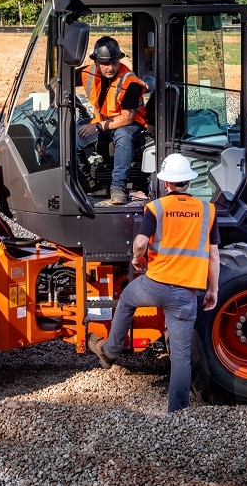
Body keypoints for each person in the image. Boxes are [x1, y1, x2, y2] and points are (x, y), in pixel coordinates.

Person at [88, 153, 220, 412]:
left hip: (155, 284)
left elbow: (140, 242)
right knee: (181, 357)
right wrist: (213, 289)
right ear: (189, 182)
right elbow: (214, 254)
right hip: (185, 293)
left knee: (126, 300)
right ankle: (177, 411)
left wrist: (138, 260)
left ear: (167, 184)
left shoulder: (156, 207)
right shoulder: (208, 210)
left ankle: (110, 351)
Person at [77, 36, 149, 205]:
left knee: (123, 136)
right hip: (103, 123)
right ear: (96, 62)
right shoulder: (88, 72)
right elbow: (60, 81)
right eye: (105, 64)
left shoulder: (129, 82)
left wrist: (95, 127)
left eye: (114, 62)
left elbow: (127, 118)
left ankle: (118, 187)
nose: (110, 68)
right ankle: (87, 182)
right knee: (74, 134)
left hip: (132, 125)